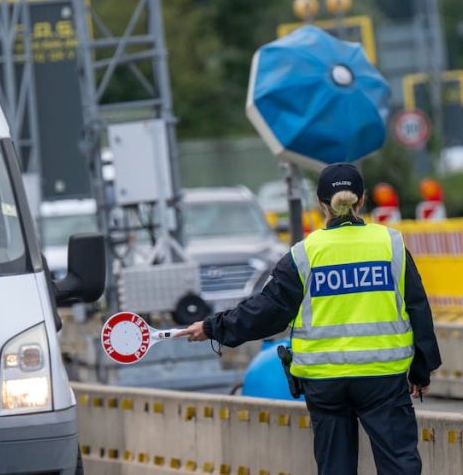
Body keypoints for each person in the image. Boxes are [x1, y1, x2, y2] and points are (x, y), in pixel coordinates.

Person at [177, 162, 441, 475]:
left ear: (320, 204)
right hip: (382, 379)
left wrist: (212, 327)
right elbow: (417, 308)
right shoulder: (391, 245)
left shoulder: (304, 254)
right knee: (400, 466)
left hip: (325, 382)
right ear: (362, 199)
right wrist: (421, 370)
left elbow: (267, 311)